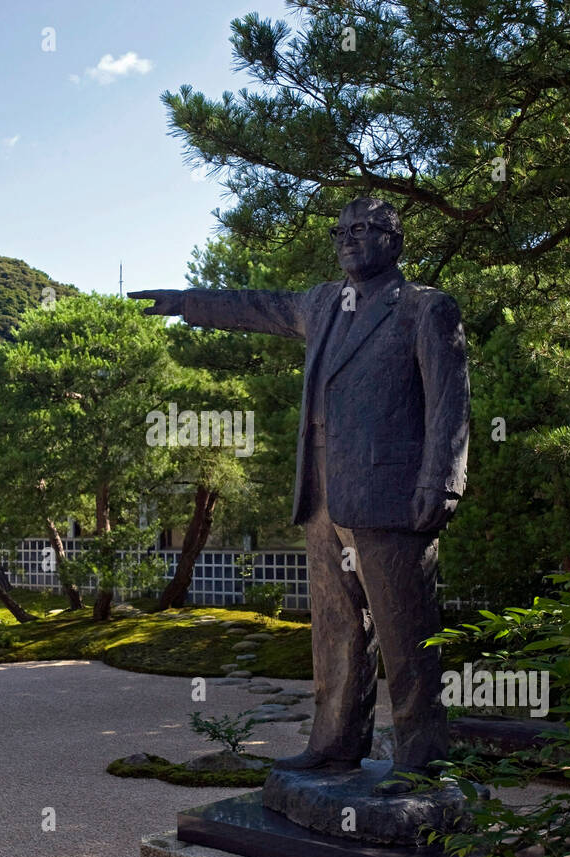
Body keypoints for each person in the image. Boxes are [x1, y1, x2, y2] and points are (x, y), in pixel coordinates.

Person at [130, 197, 470, 795]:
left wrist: (441, 481)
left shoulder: (425, 307)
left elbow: (450, 403)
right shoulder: (321, 303)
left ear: (395, 241)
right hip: (322, 500)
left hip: (392, 496)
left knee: (406, 634)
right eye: (342, 231)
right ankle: (335, 745)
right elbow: (257, 306)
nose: (349, 239)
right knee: (335, 629)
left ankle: (423, 759)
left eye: (365, 229)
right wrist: (185, 303)